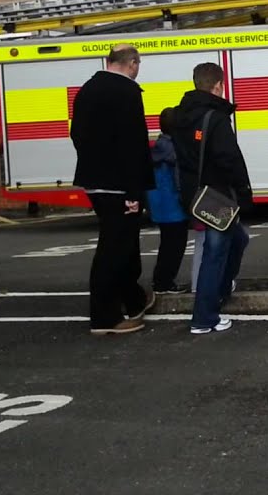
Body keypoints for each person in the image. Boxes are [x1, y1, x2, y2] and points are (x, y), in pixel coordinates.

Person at [70, 44, 155, 335]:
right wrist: (134, 192)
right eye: (138, 64)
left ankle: (134, 299)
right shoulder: (126, 92)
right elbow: (134, 145)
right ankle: (105, 318)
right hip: (119, 185)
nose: (138, 69)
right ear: (131, 63)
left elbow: (76, 134)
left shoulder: (88, 90)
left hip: (96, 181)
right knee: (114, 250)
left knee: (124, 246)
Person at [172, 62, 253, 335]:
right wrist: (244, 193)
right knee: (215, 253)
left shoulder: (181, 116)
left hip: (193, 194)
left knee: (237, 239)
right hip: (216, 195)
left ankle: (219, 288)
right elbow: (230, 159)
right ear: (218, 85)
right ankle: (205, 317)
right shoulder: (215, 118)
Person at [146, 107, 189, 294]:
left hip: (160, 206)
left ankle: (160, 281)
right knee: (175, 245)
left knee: (167, 244)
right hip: (173, 206)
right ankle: (165, 282)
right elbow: (179, 179)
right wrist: (186, 199)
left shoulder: (159, 145)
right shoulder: (174, 149)